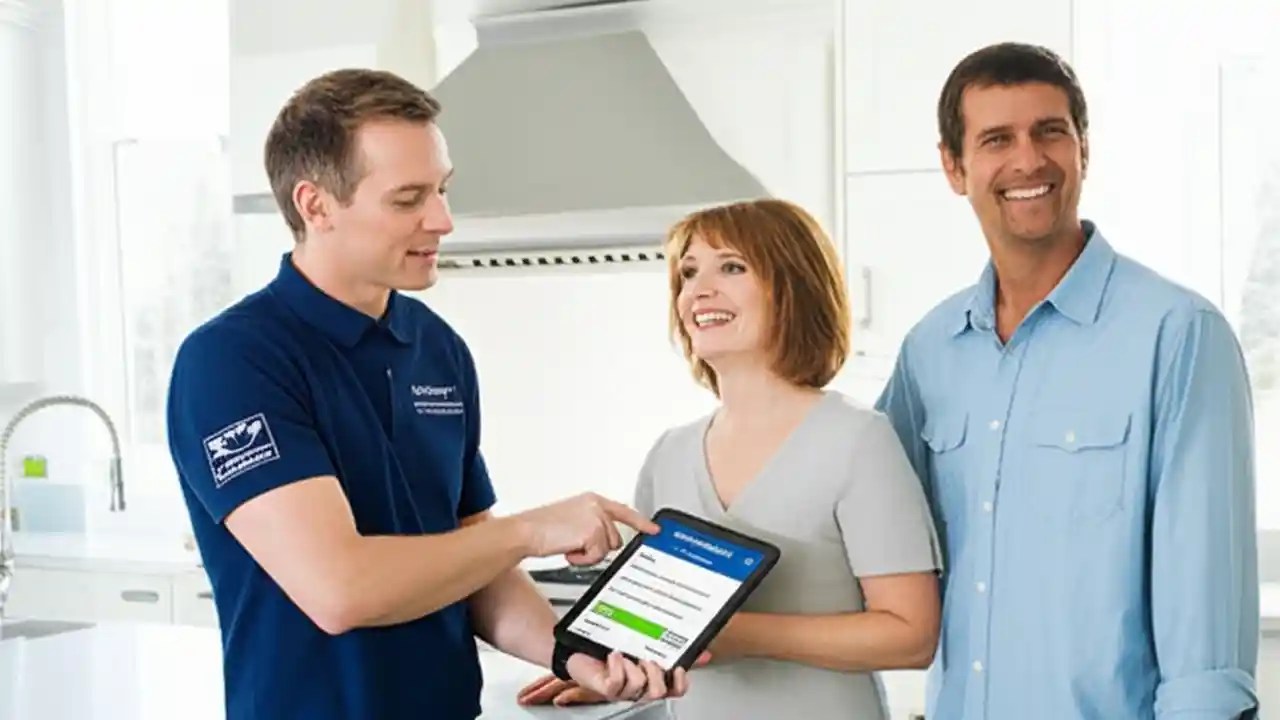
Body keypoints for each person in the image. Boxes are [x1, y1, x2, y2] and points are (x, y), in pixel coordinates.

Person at [165, 68, 694, 720]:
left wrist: (574, 654)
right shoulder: (233, 361)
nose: (442, 220)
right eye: (407, 198)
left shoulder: (437, 348)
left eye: (442, 190)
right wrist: (530, 530)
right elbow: (340, 589)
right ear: (315, 205)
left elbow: (476, 570)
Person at [874, 42, 1260, 719]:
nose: (1028, 160)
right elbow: (850, 530)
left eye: (1049, 132)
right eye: (997, 139)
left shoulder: (1177, 335)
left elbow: (1207, 651)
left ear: (1084, 149)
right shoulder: (929, 351)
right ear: (954, 167)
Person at [516, 198, 943, 719]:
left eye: (732, 267)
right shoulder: (670, 454)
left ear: (795, 288)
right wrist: (614, 671)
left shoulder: (857, 440)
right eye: (688, 273)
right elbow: (659, 619)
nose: (699, 289)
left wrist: (730, 633)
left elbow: (910, 636)